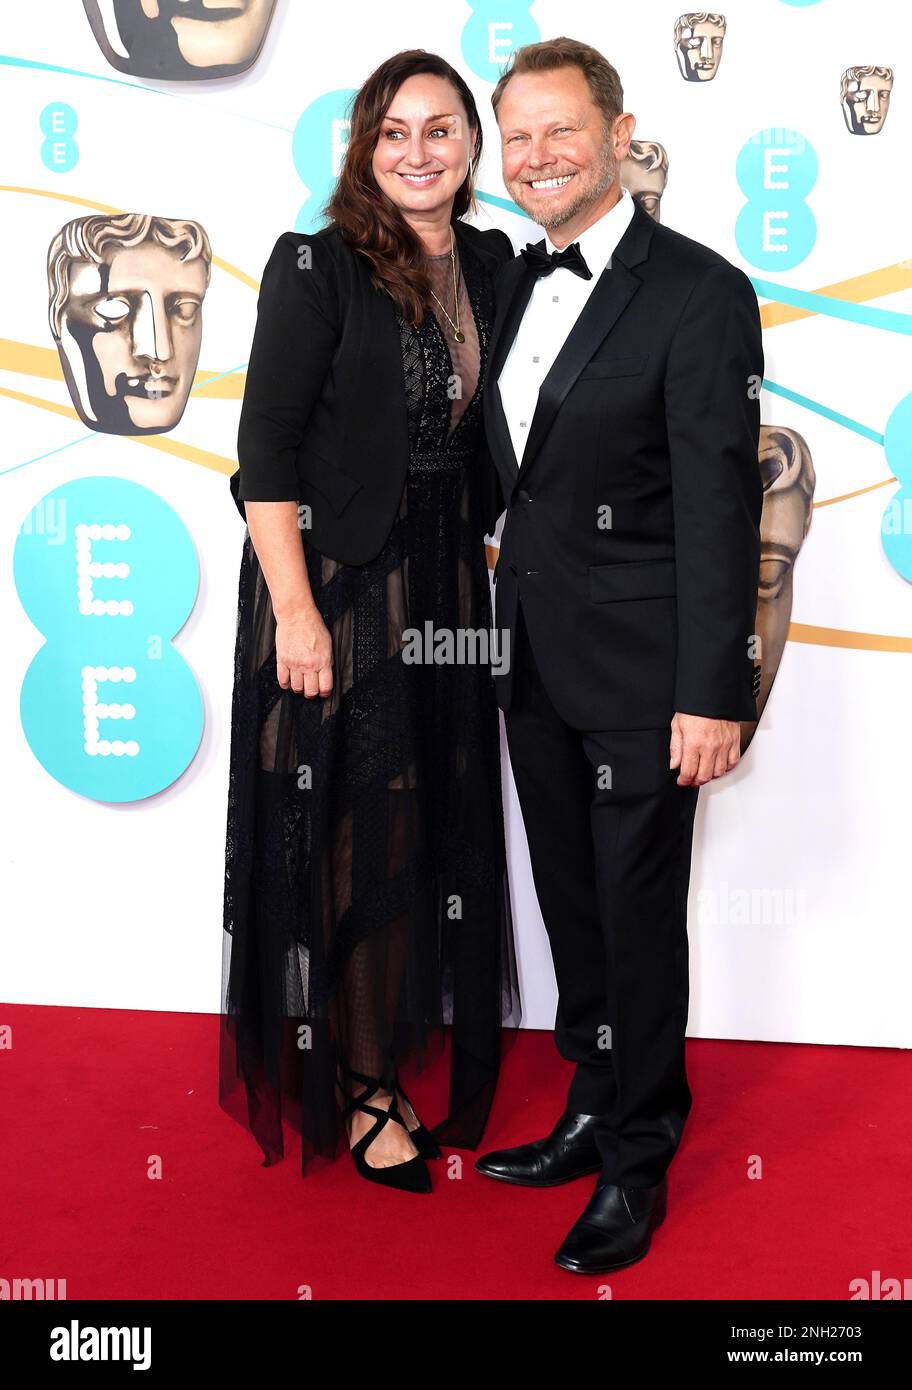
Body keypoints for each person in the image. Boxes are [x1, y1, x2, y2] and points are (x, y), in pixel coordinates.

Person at [475, 37, 763, 1271]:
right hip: (530, 657)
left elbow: (719, 506)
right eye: (519, 138)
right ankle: (590, 1105)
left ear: (619, 129)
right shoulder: (502, 284)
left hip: (650, 679)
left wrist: (713, 691)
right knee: (573, 908)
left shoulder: (700, 292)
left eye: (560, 130)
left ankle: (638, 1161)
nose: (537, 157)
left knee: (640, 917)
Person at [219, 49, 520, 1194]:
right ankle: (359, 1085)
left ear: (470, 146)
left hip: (449, 578)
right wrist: (295, 614)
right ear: (363, 144)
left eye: (441, 130)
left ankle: (395, 1044)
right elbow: (265, 457)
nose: (418, 152)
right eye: (394, 132)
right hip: (340, 586)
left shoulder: (492, 264)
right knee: (356, 829)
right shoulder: (319, 265)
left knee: (428, 816)